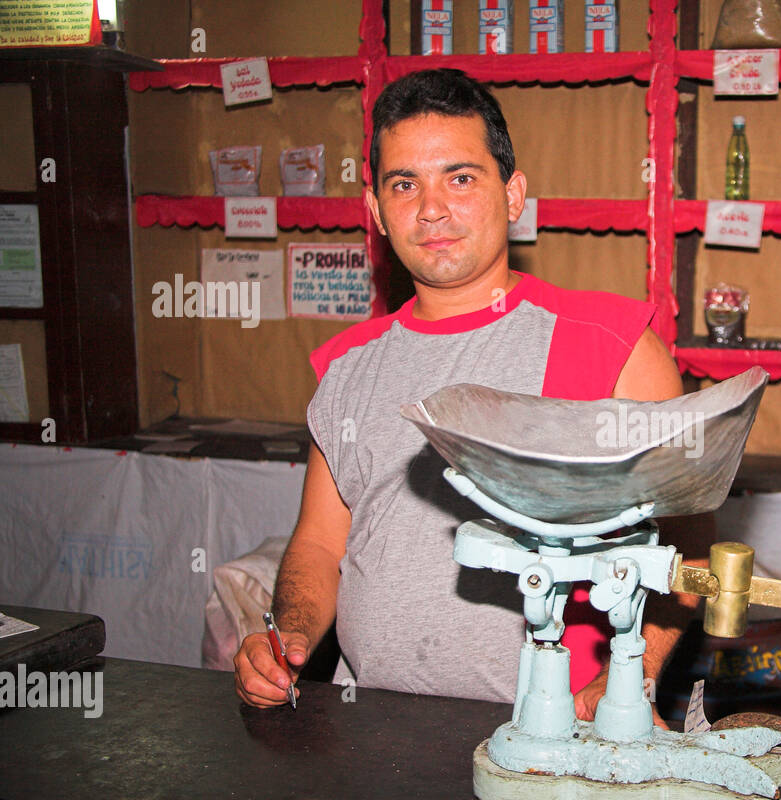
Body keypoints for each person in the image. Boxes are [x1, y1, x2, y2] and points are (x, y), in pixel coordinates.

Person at [234, 69, 707, 718]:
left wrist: (633, 675)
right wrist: (285, 638)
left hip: (556, 735)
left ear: (513, 195)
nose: (431, 209)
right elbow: (320, 543)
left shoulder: (614, 347)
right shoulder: (346, 366)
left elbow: (687, 541)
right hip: (366, 726)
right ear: (375, 211)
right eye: (404, 185)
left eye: (460, 178)